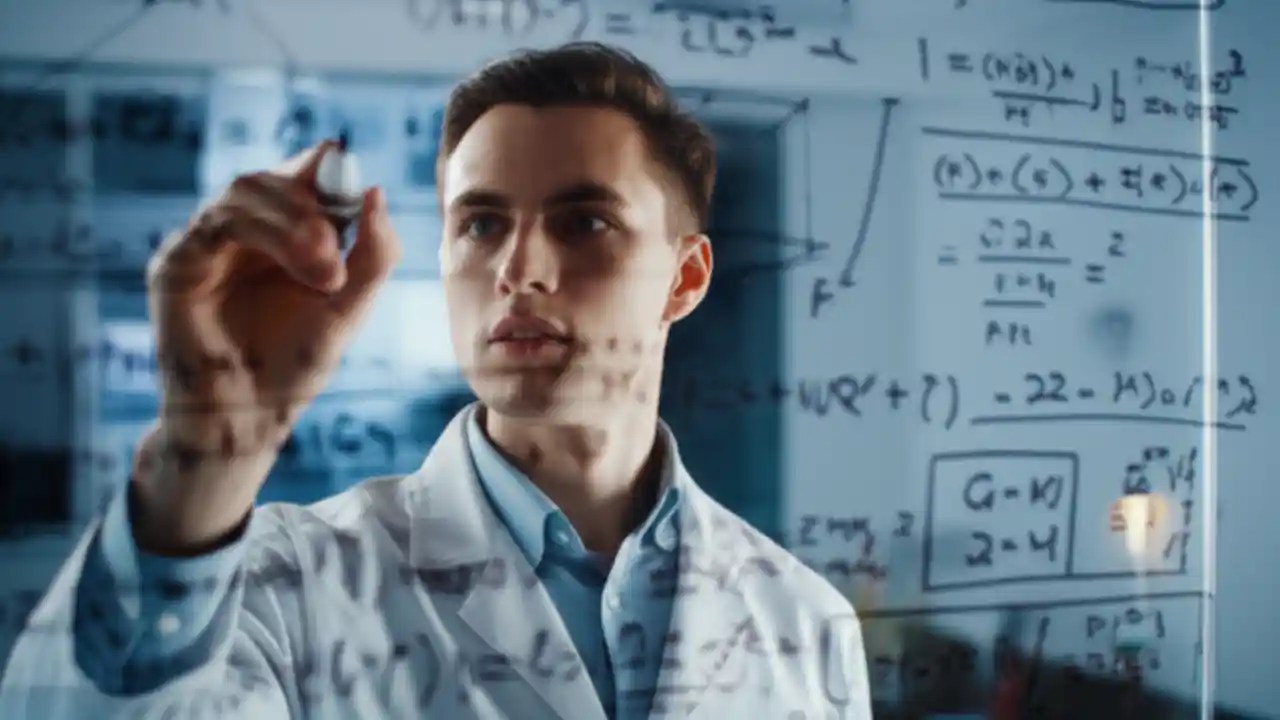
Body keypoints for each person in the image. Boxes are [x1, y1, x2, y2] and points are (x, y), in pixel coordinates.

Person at [0, 42, 871, 719]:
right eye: (483, 223)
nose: (519, 269)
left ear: (684, 279)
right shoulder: (285, 584)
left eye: (585, 221)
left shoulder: (806, 622)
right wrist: (203, 457)